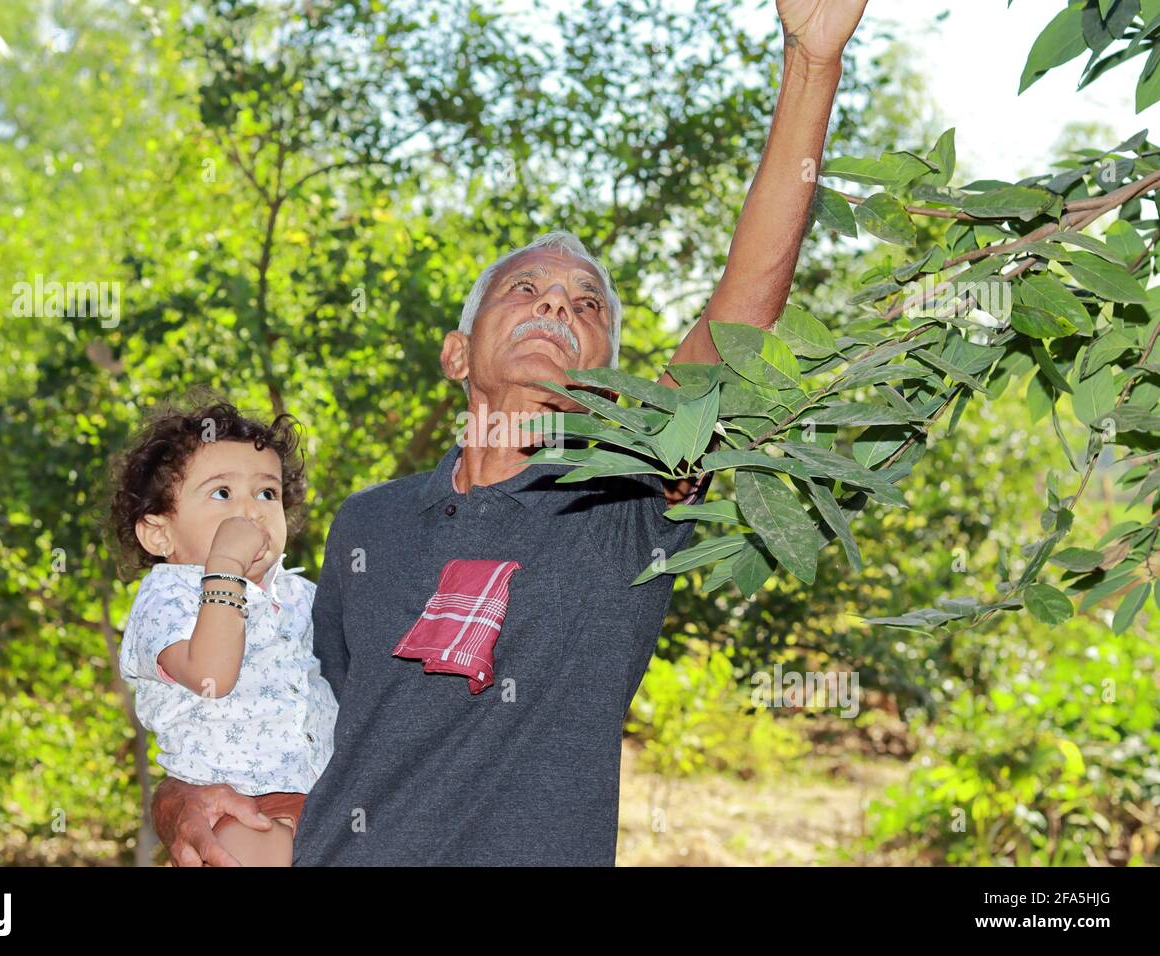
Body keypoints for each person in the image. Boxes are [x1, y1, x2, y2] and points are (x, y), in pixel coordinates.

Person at [150, 0, 870, 866]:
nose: (558, 305)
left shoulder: (625, 497)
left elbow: (739, 319)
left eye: (586, 304)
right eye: (526, 291)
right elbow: (309, 727)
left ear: (613, 381)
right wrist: (177, 797)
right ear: (458, 353)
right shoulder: (366, 525)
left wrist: (812, 62)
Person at [110, 397, 337, 865]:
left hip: (325, 795)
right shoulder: (168, 596)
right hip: (234, 803)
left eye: (267, 493)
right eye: (221, 494)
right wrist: (226, 569)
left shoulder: (300, 594)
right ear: (159, 534)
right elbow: (213, 674)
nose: (252, 512)